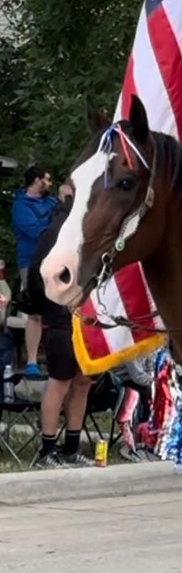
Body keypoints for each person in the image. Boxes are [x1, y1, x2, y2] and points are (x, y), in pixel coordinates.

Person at [26, 186, 94, 469]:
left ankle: (72, 448)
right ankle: (47, 450)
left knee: (83, 380)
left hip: (88, 314)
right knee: (60, 379)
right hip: (60, 314)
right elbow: (36, 272)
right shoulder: (58, 229)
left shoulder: (94, 226)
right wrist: (47, 306)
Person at [11, 165, 57, 375]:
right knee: (34, 312)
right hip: (31, 263)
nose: (50, 183)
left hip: (55, 261)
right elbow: (36, 232)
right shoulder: (20, 205)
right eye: (47, 179)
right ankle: (31, 362)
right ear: (37, 180)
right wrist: (55, 226)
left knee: (58, 312)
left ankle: (56, 359)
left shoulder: (52, 202)